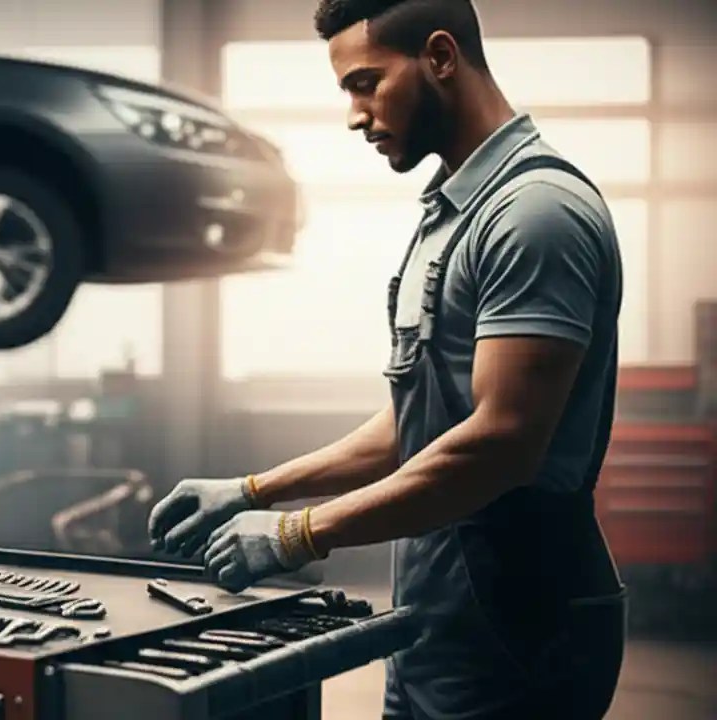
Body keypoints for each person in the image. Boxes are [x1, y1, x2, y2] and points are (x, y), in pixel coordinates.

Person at [147, 0, 627, 717]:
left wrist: (297, 534)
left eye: (366, 82)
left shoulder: (535, 214)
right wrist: (253, 490)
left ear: (439, 57)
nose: (354, 114)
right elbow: (420, 419)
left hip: (524, 616)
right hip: (440, 614)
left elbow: (500, 442)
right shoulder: (455, 213)